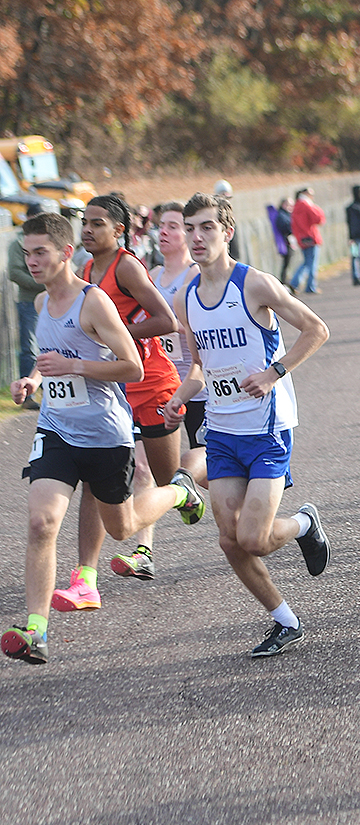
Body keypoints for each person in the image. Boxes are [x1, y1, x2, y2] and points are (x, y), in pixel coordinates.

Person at [4, 213, 205, 664]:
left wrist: (75, 367)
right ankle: (35, 629)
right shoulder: (41, 302)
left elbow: (132, 366)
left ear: (65, 253)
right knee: (41, 522)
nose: (32, 261)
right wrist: (33, 380)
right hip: (57, 429)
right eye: (27, 253)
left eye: (40, 252)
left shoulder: (93, 302)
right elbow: (51, 356)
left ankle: (179, 491)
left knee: (123, 527)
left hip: (105, 434)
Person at [161, 192, 332, 657]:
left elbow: (316, 329)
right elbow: (199, 367)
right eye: (189, 228)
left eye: (207, 228)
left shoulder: (254, 285)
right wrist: (180, 397)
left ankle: (304, 523)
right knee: (230, 540)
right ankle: (285, 620)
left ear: (227, 232)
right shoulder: (185, 297)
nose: (197, 237)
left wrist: (275, 372)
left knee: (253, 538)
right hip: (221, 431)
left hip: (267, 429)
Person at [58, 195, 187, 602]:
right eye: (85, 222)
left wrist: (118, 335)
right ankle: (87, 577)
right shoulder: (85, 270)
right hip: (113, 387)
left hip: (152, 382)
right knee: (99, 476)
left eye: (97, 223)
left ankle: (185, 493)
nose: (87, 229)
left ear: (118, 230)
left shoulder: (126, 266)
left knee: (166, 478)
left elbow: (167, 320)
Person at [151, 201, 207, 492]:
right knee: (149, 467)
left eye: (172, 227)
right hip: (159, 385)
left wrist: (166, 324)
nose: (163, 232)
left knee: (205, 463)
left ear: (187, 234)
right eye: (161, 225)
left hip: (194, 386)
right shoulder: (152, 276)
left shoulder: (194, 275)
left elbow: (201, 326)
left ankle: (244, 498)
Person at [9, 203, 45, 409]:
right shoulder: (18, 243)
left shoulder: (49, 241)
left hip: (51, 300)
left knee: (49, 346)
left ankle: (46, 390)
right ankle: (26, 395)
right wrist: (41, 283)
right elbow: (14, 272)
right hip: (29, 301)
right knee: (30, 348)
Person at [288, 187, 325, 295]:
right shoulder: (307, 205)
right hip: (311, 236)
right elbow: (318, 218)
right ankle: (309, 285)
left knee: (307, 262)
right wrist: (315, 207)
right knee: (311, 263)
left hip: (302, 237)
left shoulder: (296, 206)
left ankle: (295, 283)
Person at [269, 198, 294, 283]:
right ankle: (284, 281)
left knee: (288, 263)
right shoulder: (282, 215)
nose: (291, 207)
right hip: (285, 242)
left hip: (288, 241)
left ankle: (286, 280)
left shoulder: (286, 214)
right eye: (288, 205)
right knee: (286, 263)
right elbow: (285, 227)